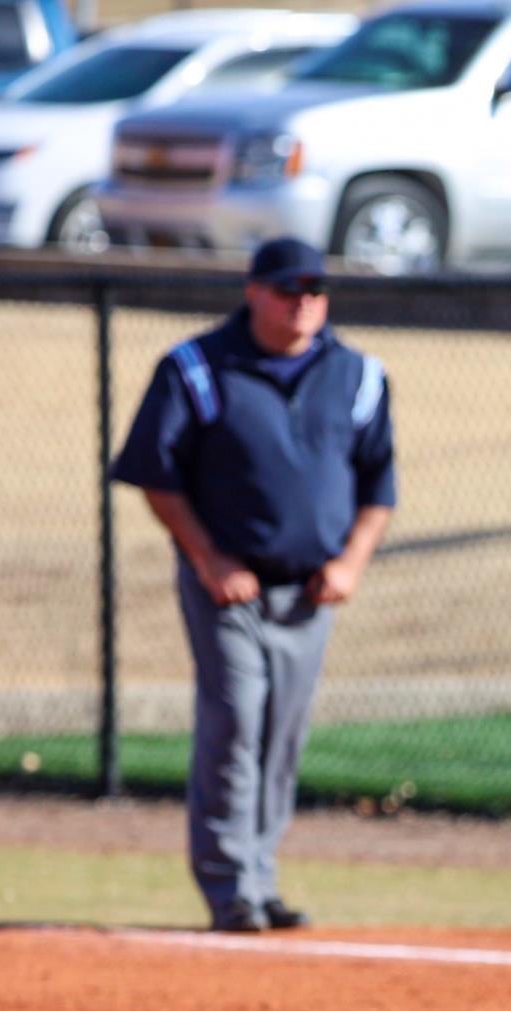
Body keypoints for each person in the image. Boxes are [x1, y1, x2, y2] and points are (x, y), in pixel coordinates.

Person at [112, 237, 396, 933]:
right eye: (286, 287)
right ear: (253, 291)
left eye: (315, 288)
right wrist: (208, 558)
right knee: (236, 720)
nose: (302, 300)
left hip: (311, 592)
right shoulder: (198, 368)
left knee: (281, 733)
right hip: (227, 587)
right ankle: (227, 886)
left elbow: (378, 486)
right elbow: (156, 472)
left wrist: (352, 561)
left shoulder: (358, 375)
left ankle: (260, 880)